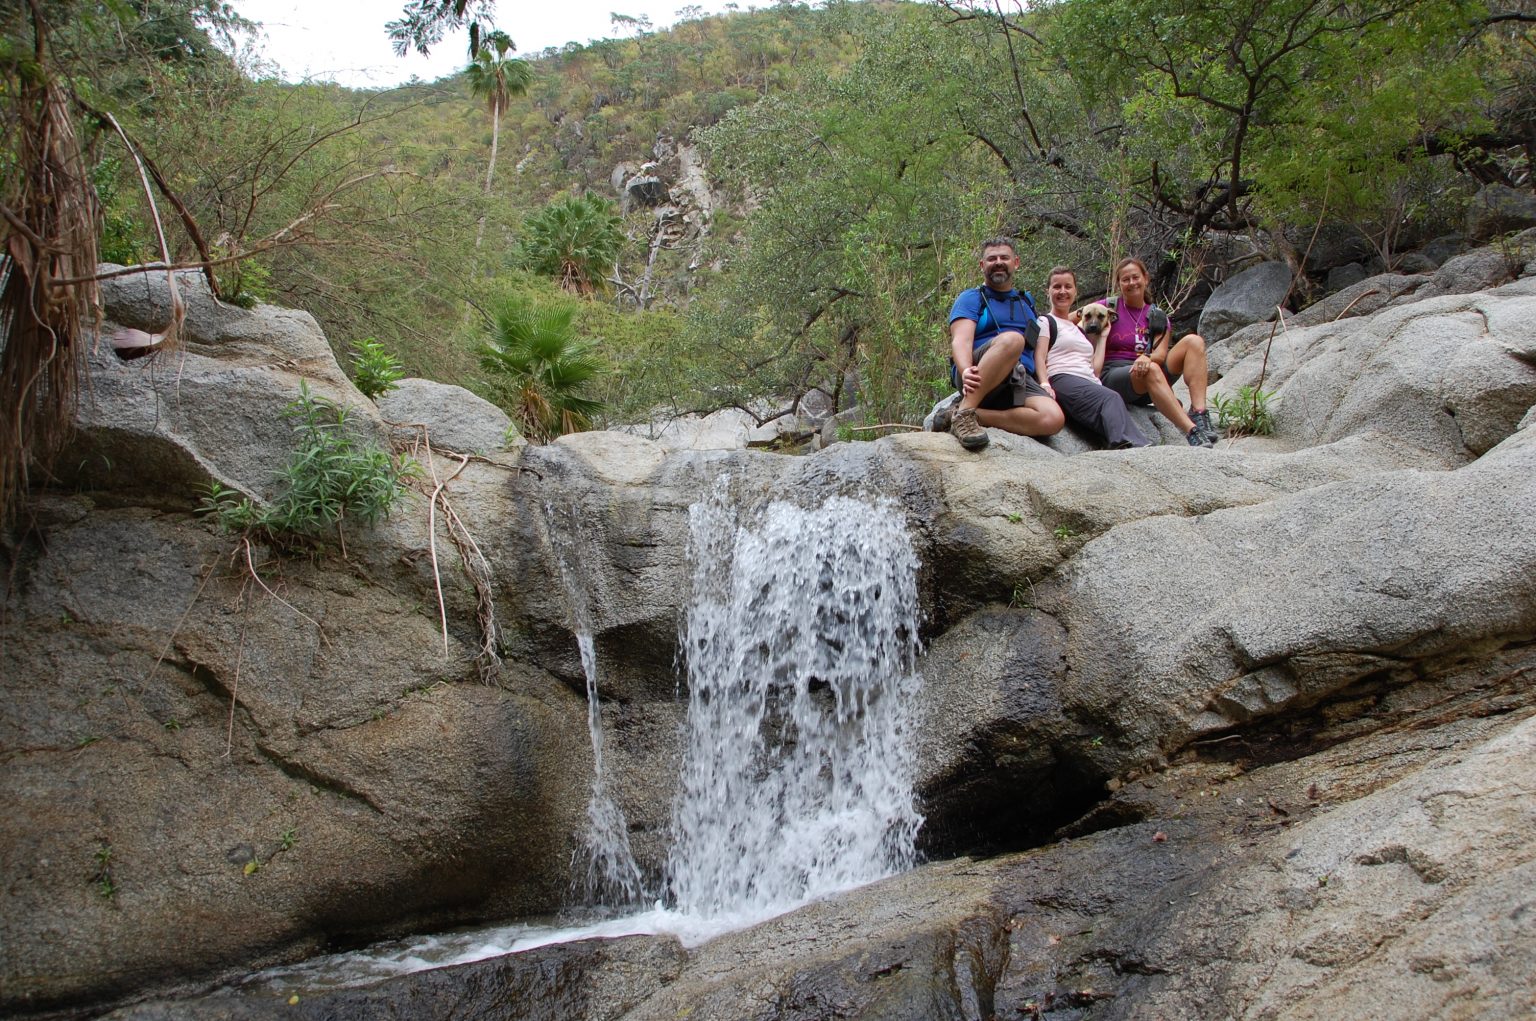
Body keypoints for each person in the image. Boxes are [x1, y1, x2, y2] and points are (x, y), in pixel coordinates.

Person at [938, 237, 1064, 451]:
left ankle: (964, 414)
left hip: (1017, 379)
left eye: (1004, 258)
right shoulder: (972, 298)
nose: (998, 262)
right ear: (982, 265)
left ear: (1016, 262)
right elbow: (961, 340)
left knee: (1053, 418)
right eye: (991, 259)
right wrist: (965, 369)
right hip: (977, 375)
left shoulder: (1026, 301)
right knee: (1013, 339)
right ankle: (965, 412)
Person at [1099, 257, 1218, 447]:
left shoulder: (1156, 315)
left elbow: (1160, 355)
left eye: (1135, 277)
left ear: (1146, 278)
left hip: (1149, 373)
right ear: (1118, 284)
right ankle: (1191, 431)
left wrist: (1147, 358)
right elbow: (1074, 318)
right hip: (1115, 375)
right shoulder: (1108, 307)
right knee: (1152, 369)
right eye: (1125, 279)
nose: (1131, 283)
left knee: (1194, 342)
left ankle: (1199, 412)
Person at [1038, 266, 1149, 449]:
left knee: (1107, 408)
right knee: (1111, 398)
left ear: (1075, 291)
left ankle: (1125, 445)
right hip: (1062, 377)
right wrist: (1044, 384)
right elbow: (1040, 356)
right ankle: (1132, 445)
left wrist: (1103, 337)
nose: (1063, 291)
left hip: (1088, 381)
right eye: (1057, 287)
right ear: (1048, 291)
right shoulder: (1046, 321)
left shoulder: (1078, 330)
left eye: (1068, 286)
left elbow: (1096, 370)